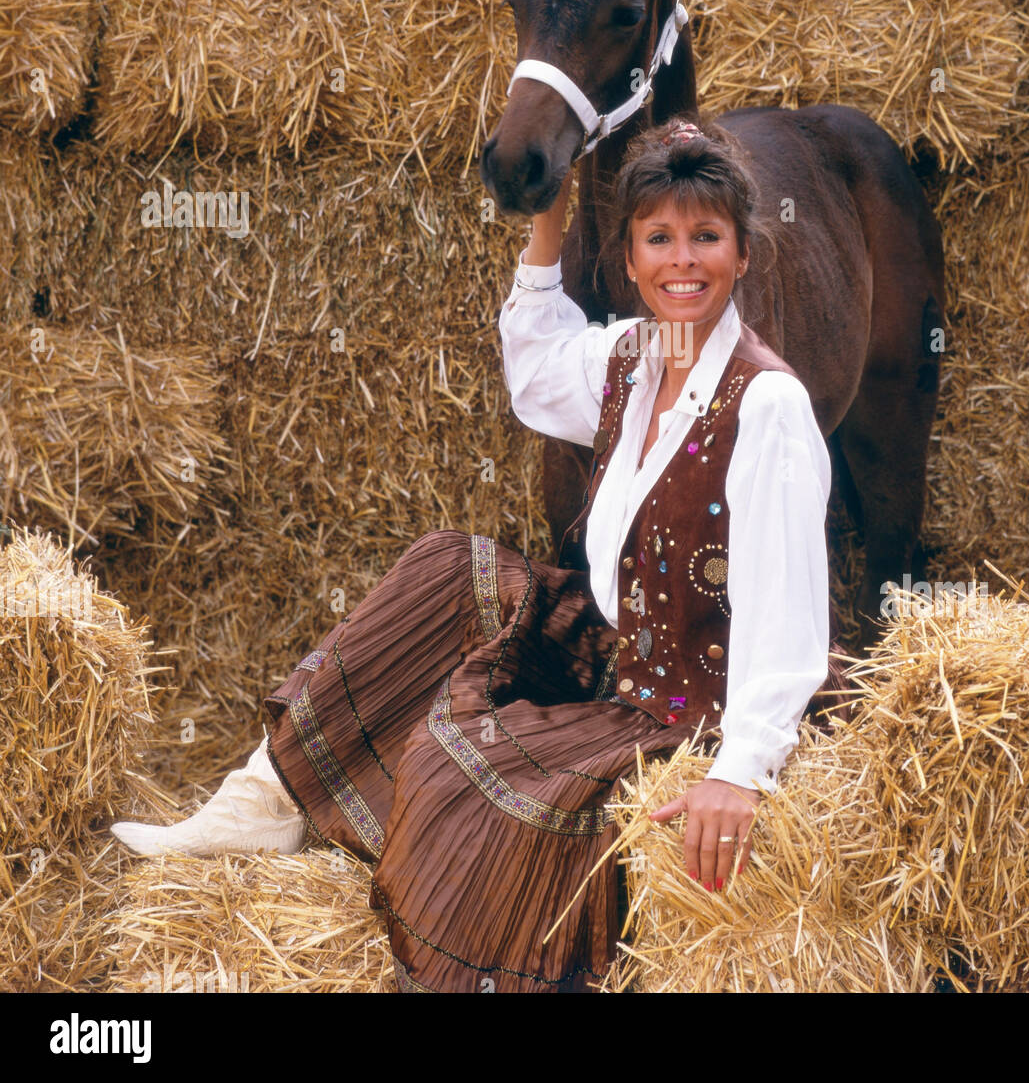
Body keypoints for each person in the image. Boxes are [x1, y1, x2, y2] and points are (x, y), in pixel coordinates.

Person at [111, 115, 836, 992]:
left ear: (743, 255)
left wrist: (741, 772)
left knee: (473, 769)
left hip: (686, 707)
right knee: (445, 570)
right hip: (614, 645)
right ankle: (264, 801)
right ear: (633, 259)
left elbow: (787, 614)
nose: (684, 261)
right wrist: (546, 221)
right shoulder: (634, 357)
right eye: (661, 238)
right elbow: (533, 374)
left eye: (707, 238)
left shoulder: (767, 407)